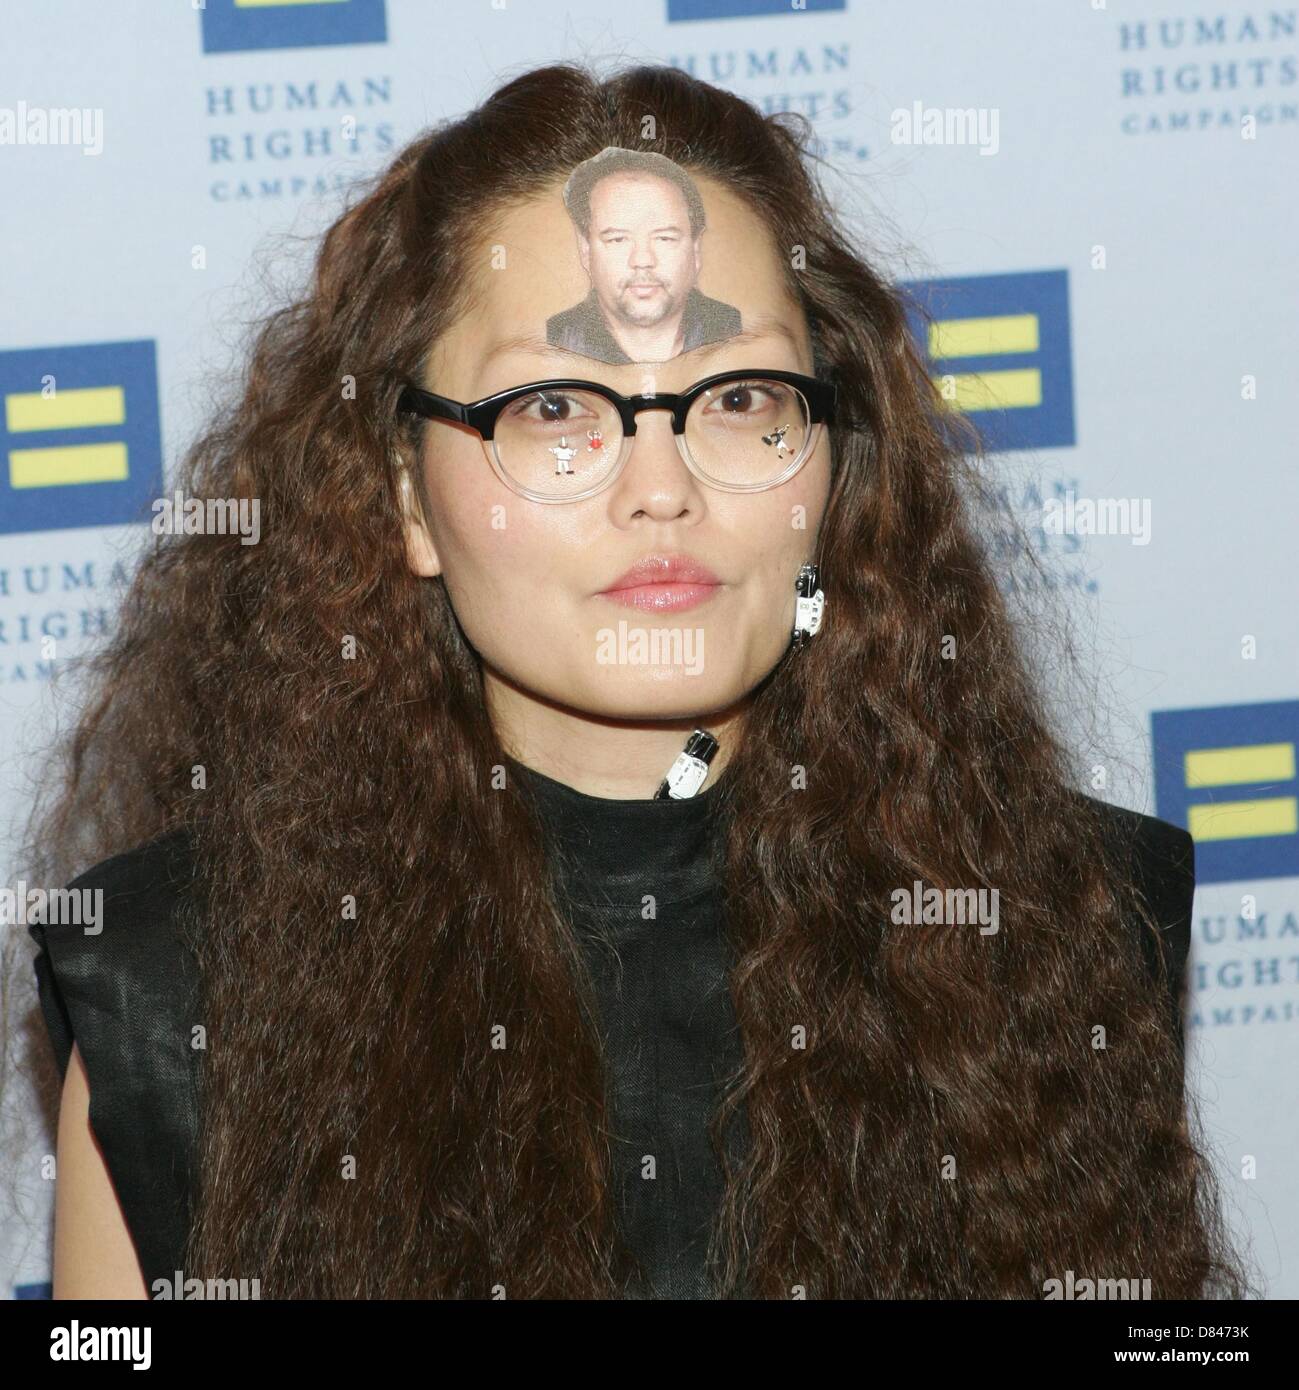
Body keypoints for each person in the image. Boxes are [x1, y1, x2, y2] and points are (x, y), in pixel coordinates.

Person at [19, 61, 1250, 1300]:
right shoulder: (177, 989)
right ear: (406, 497)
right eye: (556, 407)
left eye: (742, 398)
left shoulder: (1064, 923)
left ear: (834, 471)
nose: (662, 486)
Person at [545, 145, 743, 364]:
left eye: (664, 238)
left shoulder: (736, 332)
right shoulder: (552, 341)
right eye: (618, 239)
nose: (642, 260)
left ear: (695, 248)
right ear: (585, 250)